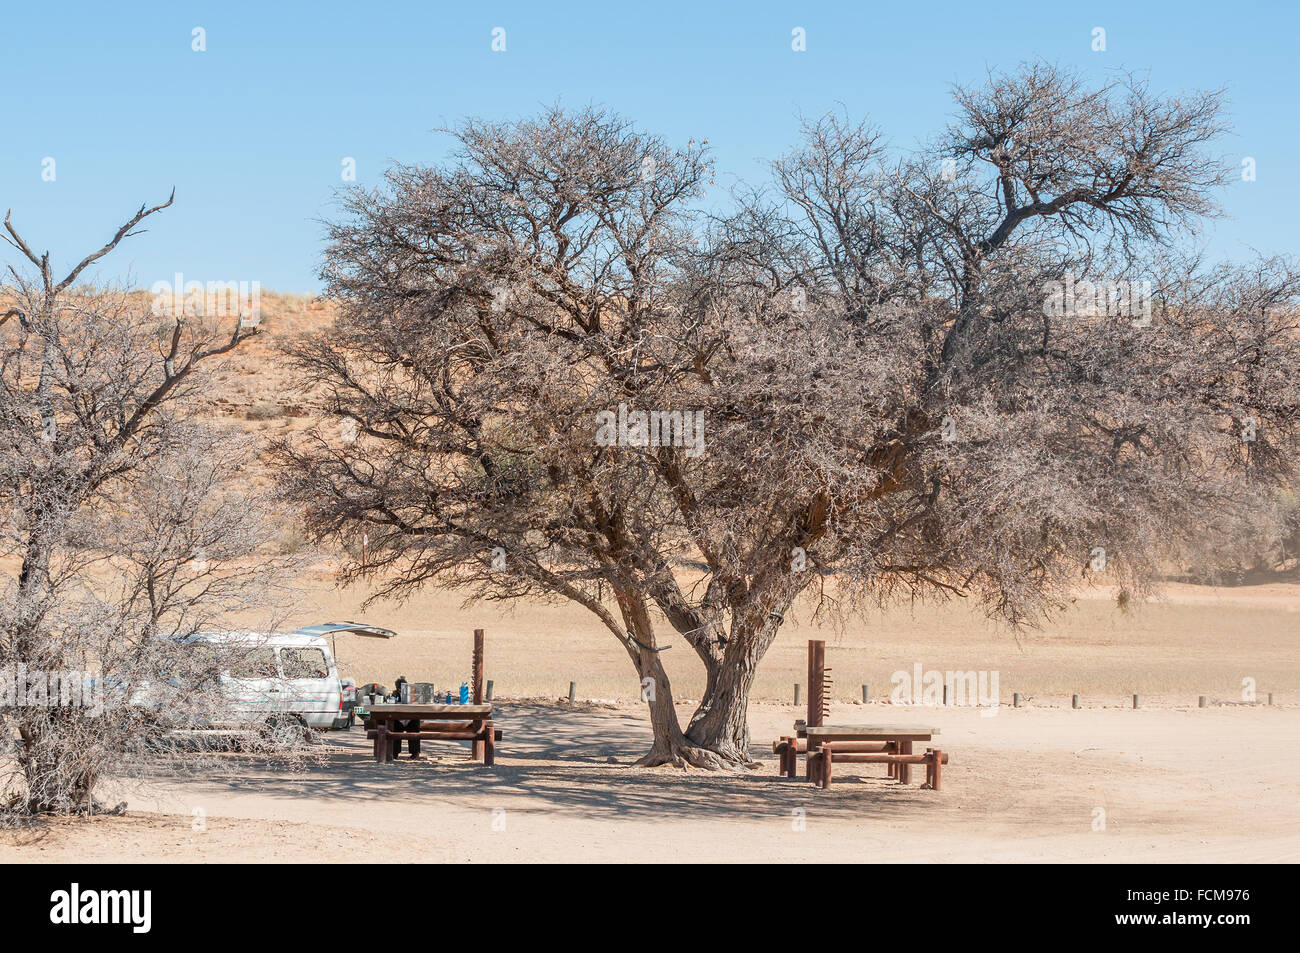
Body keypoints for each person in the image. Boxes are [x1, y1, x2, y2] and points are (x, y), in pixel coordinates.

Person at [389, 675, 421, 759]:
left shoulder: (412, 694)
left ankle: (415, 752)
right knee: (395, 729)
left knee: (415, 728)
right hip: (399, 719)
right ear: (398, 688)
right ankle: (394, 752)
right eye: (400, 688)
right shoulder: (394, 694)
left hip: (410, 719)